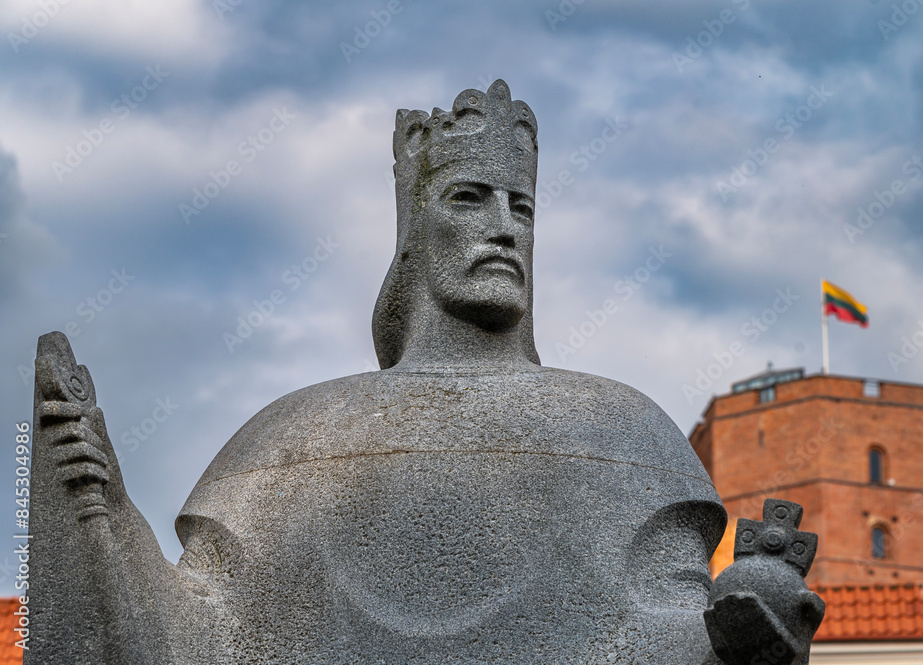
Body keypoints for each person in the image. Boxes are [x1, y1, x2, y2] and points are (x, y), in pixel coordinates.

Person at [29, 80, 821, 664]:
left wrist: (746, 625)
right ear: (414, 228)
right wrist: (101, 511)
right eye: (471, 198)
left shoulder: (623, 429)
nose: (504, 229)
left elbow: (663, 634)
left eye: (523, 208)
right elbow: (199, 630)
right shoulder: (291, 438)